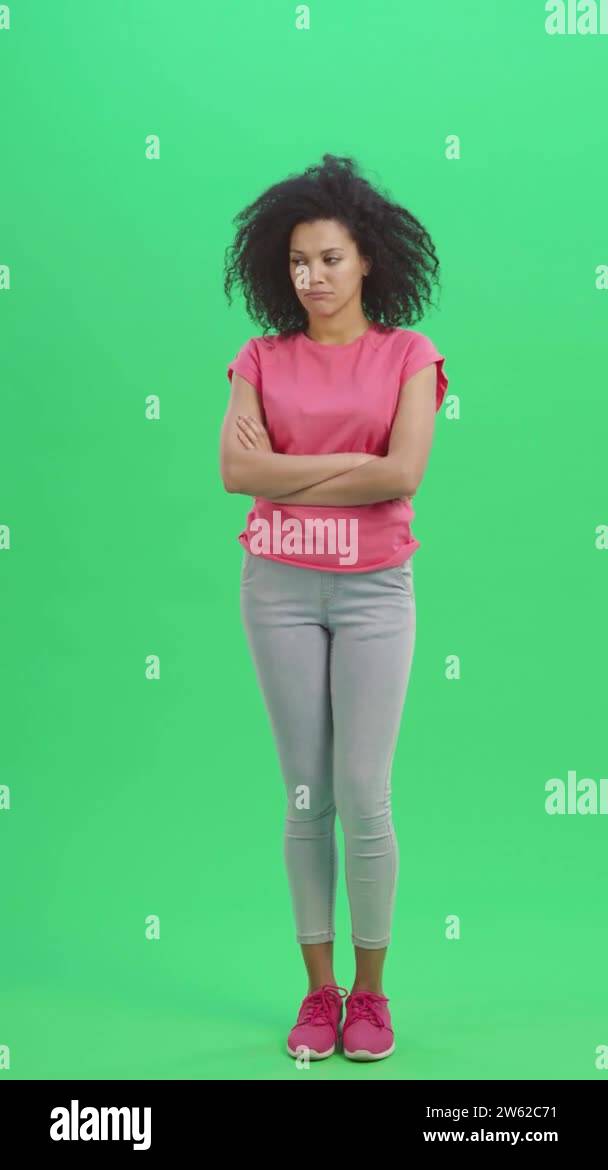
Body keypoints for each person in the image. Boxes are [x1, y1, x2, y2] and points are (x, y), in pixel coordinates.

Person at [220, 154, 448, 1062]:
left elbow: (404, 474)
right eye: (298, 263)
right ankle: (319, 995)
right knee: (307, 794)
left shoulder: (410, 355)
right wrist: (351, 468)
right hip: (276, 590)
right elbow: (236, 474)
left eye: (330, 259)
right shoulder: (260, 359)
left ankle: (373, 995)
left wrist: (291, 476)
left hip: (374, 593)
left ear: (369, 262)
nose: (312, 277)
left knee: (364, 790)